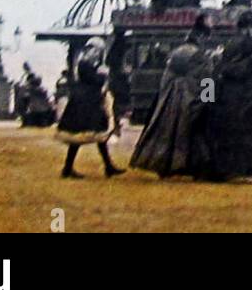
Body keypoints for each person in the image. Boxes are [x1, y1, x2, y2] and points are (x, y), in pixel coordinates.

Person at [131, 15, 215, 178]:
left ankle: (165, 165)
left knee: (166, 132)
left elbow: (167, 77)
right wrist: (208, 102)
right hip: (189, 98)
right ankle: (195, 167)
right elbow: (207, 80)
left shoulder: (177, 52)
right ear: (203, 36)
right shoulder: (201, 55)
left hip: (169, 98)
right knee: (196, 132)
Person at [206, 12, 252, 181]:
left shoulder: (229, 44)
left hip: (227, 95)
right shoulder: (249, 44)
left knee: (231, 134)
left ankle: (232, 169)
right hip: (247, 95)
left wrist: (208, 99)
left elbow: (215, 72)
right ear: (247, 28)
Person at [55, 39, 124, 179]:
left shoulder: (89, 64)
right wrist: (102, 74)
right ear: (90, 49)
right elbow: (95, 81)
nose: (97, 54)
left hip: (88, 102)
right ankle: (70, 168)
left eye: (99, 52)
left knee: (96, 135)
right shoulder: (84, 64)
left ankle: (106, 166)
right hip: (85, 103)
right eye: (96, 51)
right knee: (81, 136)